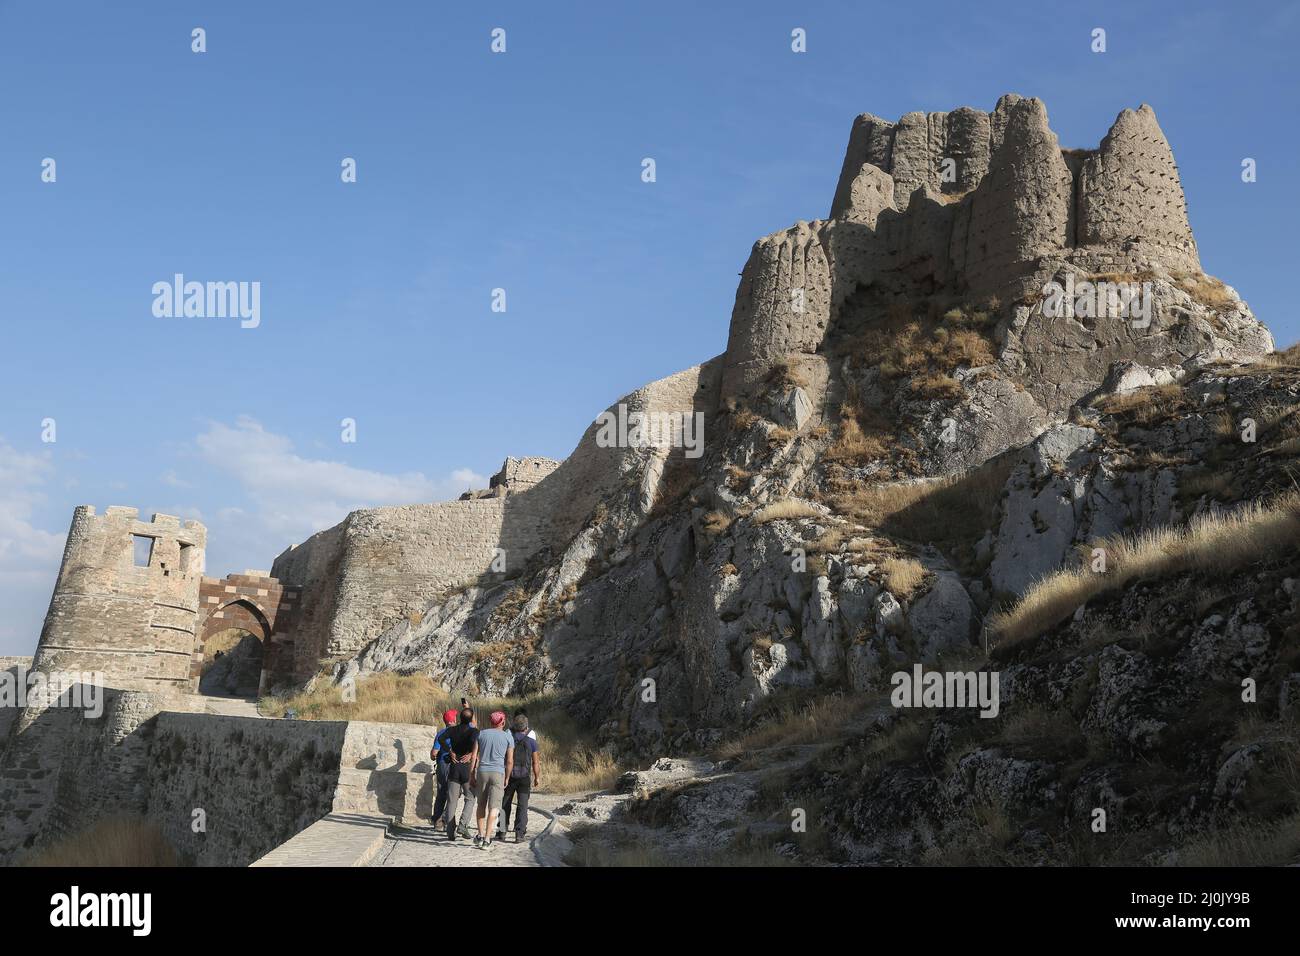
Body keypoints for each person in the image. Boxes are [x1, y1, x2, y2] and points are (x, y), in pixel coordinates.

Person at [469, 711, 514, 850]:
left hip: (482, 771)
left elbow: (474, 756)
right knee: (494, 807)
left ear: (490, 721)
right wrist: (507, 776)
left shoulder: (481, 734)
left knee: (481, 804)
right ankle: (488, 839)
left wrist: (472, 774)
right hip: (498, 773)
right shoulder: (508, 737)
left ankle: (480, 835)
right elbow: (510, 760)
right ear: (503, 722)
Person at [499, 713, 540, 842]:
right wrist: (537, 777)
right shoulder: (532, 742)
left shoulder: (508, 739)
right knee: (523, 805)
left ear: (514, 726)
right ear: (526, 727)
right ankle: (519, 833)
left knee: (505, 802)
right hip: (524, 777)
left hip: (509, 775)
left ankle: (502, 831)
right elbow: (535, 762)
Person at [442, 708, 479, 841]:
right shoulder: (474, 731)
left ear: (460, 719)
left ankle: (450, 831)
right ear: (470, 720)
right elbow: (477, 743)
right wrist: (471, 754)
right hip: (467, 767)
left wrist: (449, 751)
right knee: (470, 798)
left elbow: (441, 738)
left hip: (454, 766)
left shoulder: (452, 730)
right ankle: (463, 824)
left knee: (452, 801)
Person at [430, 708, 459, 828]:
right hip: (455, 764)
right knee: (454, 793)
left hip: (442, 764)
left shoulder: (441, 733)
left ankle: (437, 819)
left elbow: (433, 753)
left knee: (441, 792)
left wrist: (434, 757)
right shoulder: (460, 732)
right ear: (454, 719)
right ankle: (444, 819)